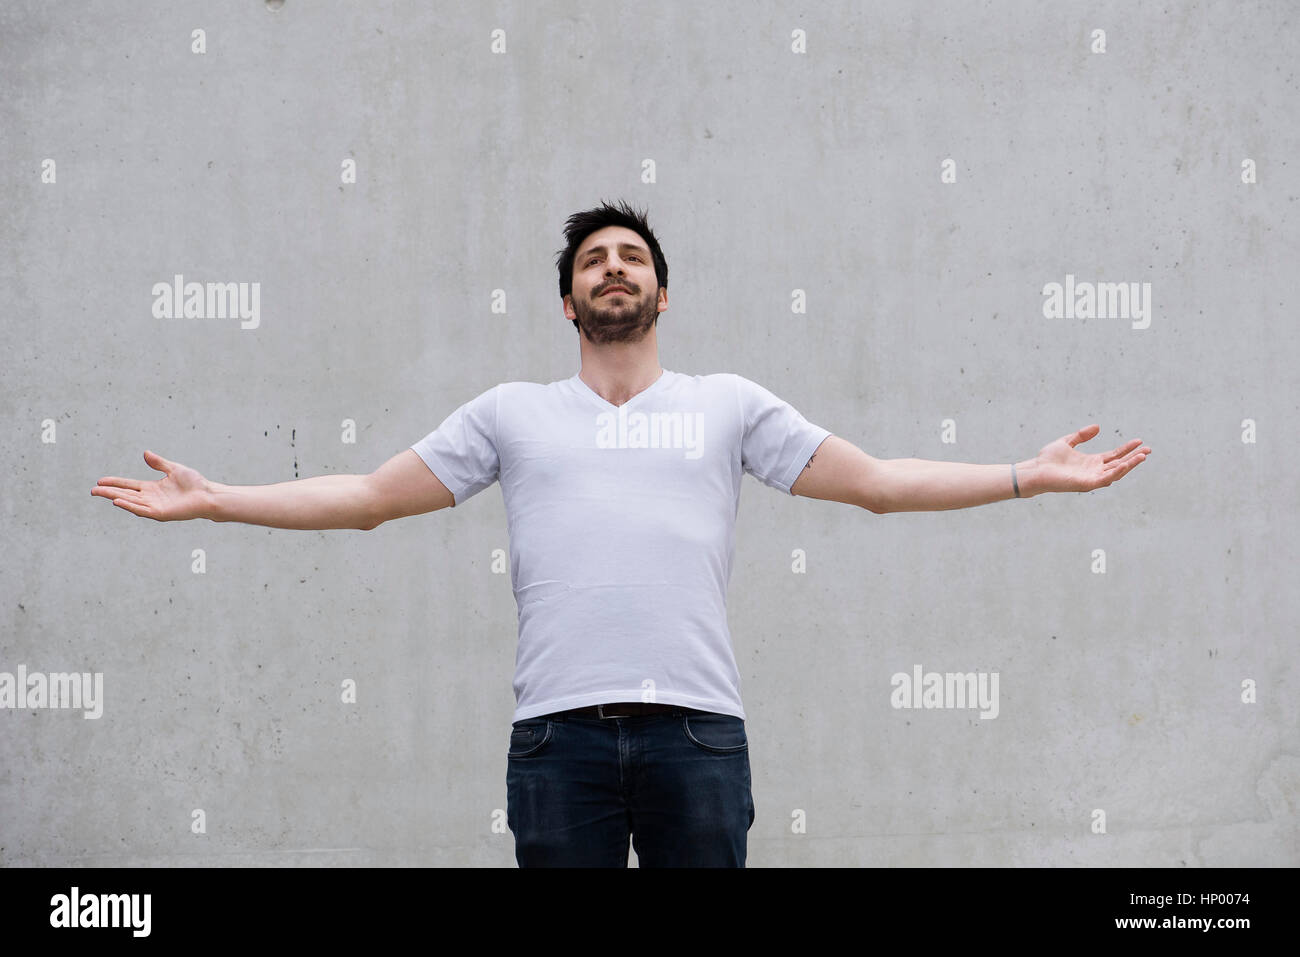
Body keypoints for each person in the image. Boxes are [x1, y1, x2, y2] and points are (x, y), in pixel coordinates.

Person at [91, 199, 1151, 867]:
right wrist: (216, 497)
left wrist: (1025, 476)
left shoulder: (727, 403)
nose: (611, 267)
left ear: (661, 293)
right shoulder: (510, 413)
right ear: (567, 302)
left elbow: (874, 482)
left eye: (630, 256)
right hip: (557, 740)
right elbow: (370, 496)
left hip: (697, 733)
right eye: (593, 259)